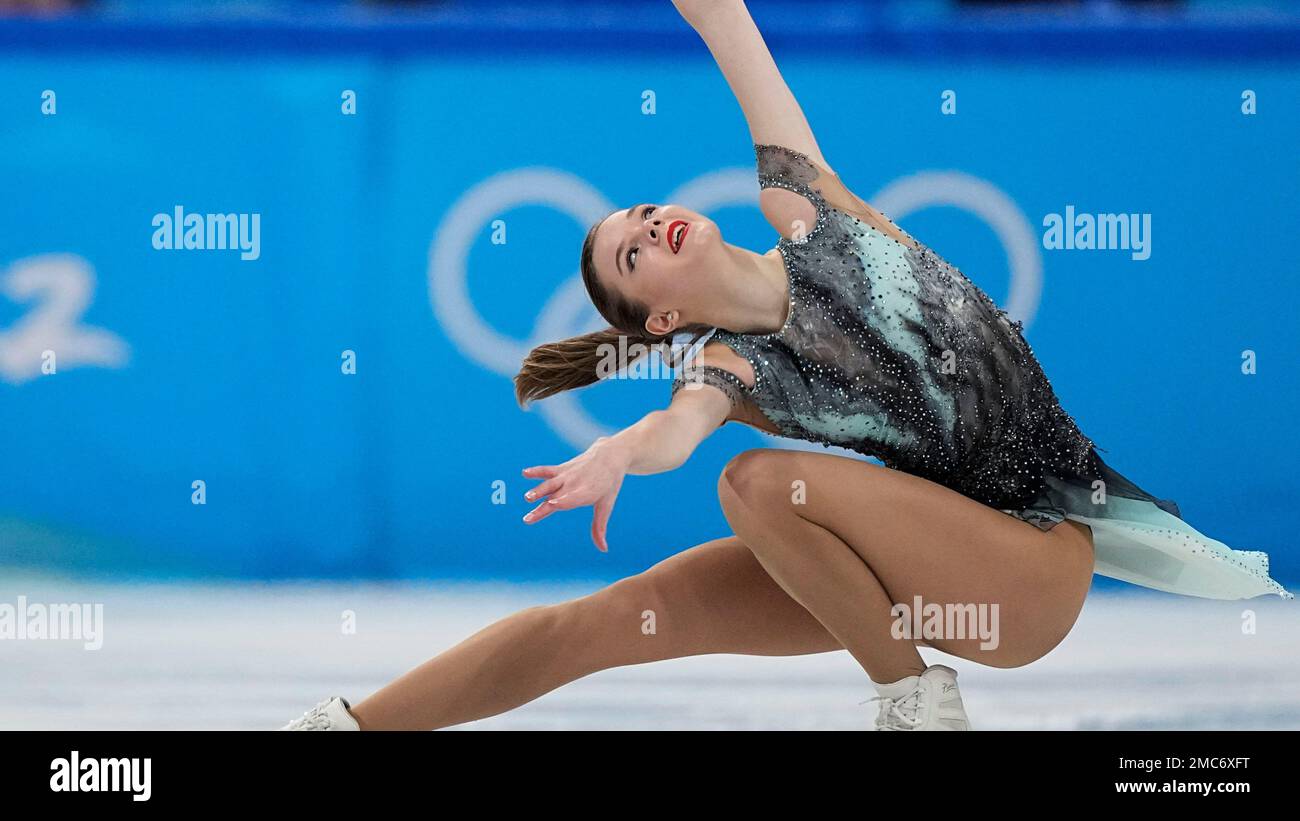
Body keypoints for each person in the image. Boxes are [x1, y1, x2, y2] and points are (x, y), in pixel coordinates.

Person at [282, 0, 1292, 733]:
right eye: (633, 255)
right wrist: (620, 453)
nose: (648, 225)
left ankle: (915, 704)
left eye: (638, 215)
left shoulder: (814, 214)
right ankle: (343, 728)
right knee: (605, 614)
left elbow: (727, 25)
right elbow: (682, 424)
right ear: (662, 311)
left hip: (1031, 565)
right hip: (927, 567)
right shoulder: (733, 365)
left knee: (765, 483)